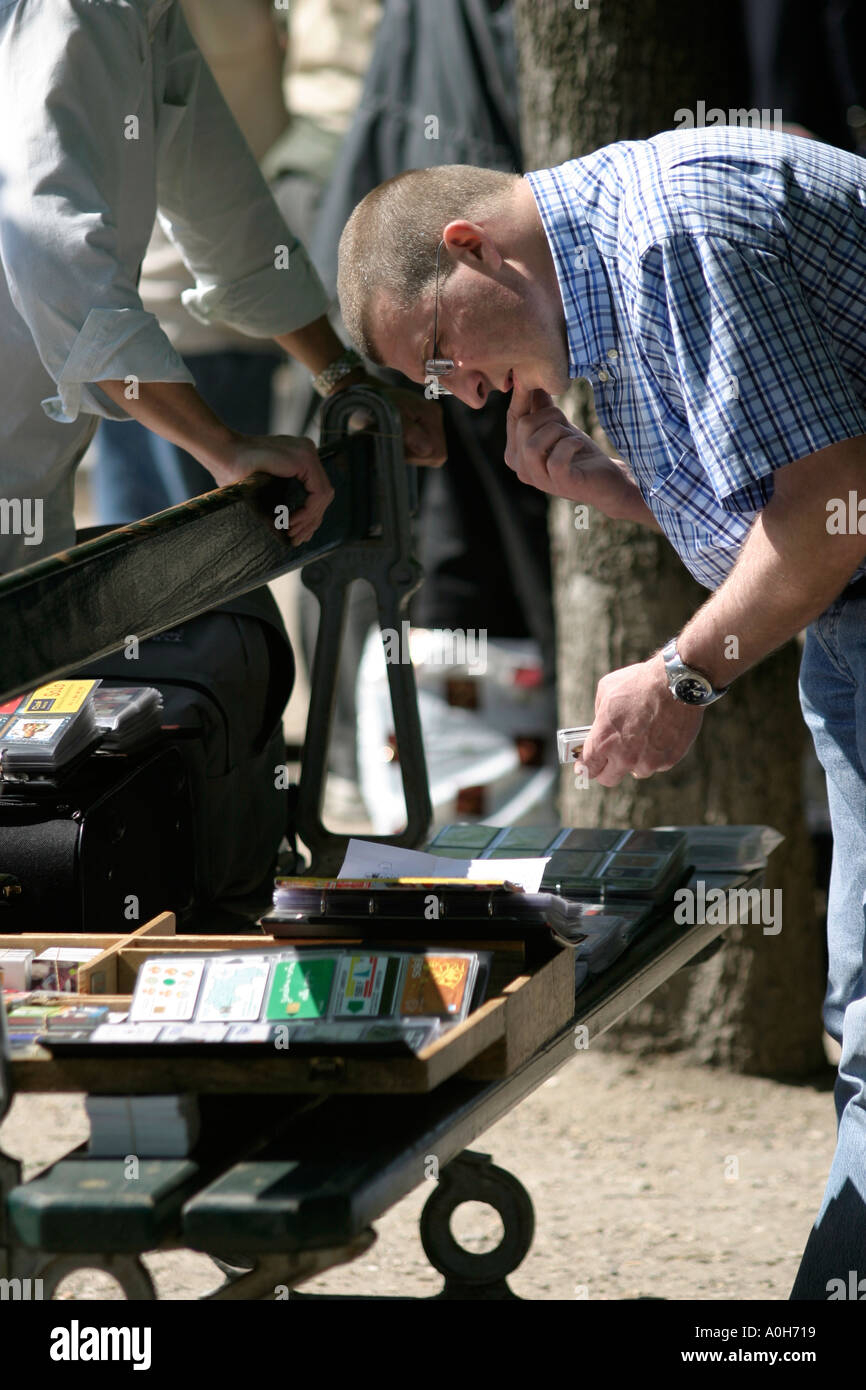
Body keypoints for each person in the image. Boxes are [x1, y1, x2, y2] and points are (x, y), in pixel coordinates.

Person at [336, 125, 866, 1300]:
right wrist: (598, 486)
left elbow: (836, 507)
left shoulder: (671, 233)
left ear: (470, 249)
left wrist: (681, 674)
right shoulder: (616, 264)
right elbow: (785, 520)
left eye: (441, 357)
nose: (464, 396)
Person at [0, 0, 442, 575]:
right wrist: (222, 449)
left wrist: (343, 377)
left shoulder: (141, 12)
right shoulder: (79, 9)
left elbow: (228, 216)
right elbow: (51, 254)